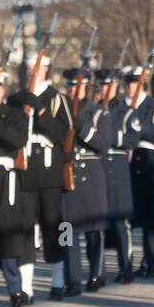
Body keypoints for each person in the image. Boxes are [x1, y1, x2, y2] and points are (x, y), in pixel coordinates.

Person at [12, 52, 74, 300]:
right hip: (25, 170)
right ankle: (26, 286)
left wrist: (40, 111)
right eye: (28, 68)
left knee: (56, 226)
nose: (32, 72)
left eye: (36, 68)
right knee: (25, 227)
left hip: (50, 172)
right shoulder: (17, 99)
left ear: (46, 69)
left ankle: (58, 280)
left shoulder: (57, 99)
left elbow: (64, 134)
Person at [0, 71, 37, 307]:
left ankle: (15, 289)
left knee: (7, 238)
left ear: (2, 91)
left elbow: (17, 140)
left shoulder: (14, 115)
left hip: (5, 180)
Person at [61, 67, 111, 291]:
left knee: (94, 230)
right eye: (70, 87)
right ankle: (71, 279)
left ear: (86, 88)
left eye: (77, 87)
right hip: (68, 173)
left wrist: (81, 125)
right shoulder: (61, 111)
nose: (73, 91)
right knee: (66, 230)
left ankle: (95, 274)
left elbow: (103, 144)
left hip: (90, 174)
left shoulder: (99, 112)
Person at [129, 69, 154, 278]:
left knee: (150, 219)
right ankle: (127, 263)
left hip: (148, 160)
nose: (130, 87)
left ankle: (151, 261)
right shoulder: (123, 106)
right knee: (127, 217)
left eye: (134, 83)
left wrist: (142, 128)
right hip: (128, 160)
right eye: (128, 83)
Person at [101, 68, 136, 282]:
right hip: (99, 168)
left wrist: (111, 138)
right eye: (102, 85)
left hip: (118, 167)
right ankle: (98, 270)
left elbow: (133, 138)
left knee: (120, 223)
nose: (105, 89)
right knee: (98, 224)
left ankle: (126, 266)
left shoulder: (125, 110)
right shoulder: (92, 109)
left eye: (109, 85)